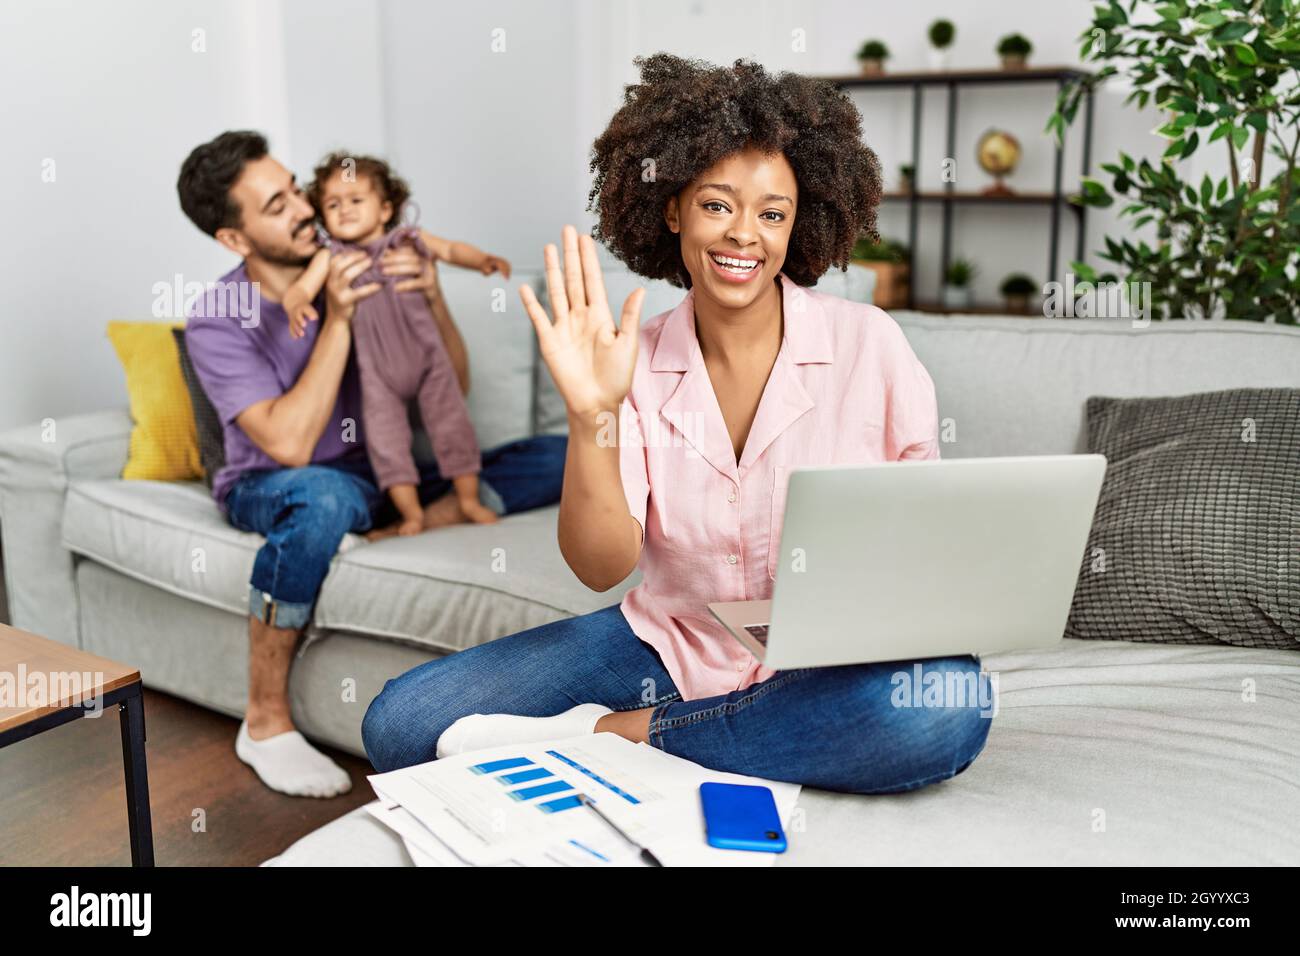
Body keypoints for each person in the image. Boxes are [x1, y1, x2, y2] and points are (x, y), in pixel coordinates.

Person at [361, 56, 992, 795]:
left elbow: (928, 541)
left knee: (948, 707)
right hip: (672, 640)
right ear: (672, 210)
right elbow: (602, 564)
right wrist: (593, 411)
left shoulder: (869, 344)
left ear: (801, 224)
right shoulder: (636, 360)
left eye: (772, 213)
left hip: (834, 658)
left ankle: (607, 738)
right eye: (717, 205)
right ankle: (739, 734)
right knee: (402, 724)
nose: (744, 236)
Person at [176, 131, 566, 797]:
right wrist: (337, 322)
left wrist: (432, 296)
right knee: (323, 497)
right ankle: (265, 722)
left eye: (296, 188)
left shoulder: (357, 256)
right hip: (275, 482)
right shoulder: (219, 316)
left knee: (562, 456)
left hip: (383, 474)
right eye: (277, 205)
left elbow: (452, 387)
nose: (304, 208)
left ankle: (412, 516)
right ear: (235, 240)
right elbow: (289, 444)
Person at [284, 152, 507, 534]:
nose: (345, 210)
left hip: (429, 361)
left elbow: (451, 250)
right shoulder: (332, 257)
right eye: (333, 204)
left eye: (356, 200)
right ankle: (412, 513)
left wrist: (481, 260)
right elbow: (299, 289)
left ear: (386, 208)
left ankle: (467, 500)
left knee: (452, 426)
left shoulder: (409, 240)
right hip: (378, 373)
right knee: (386, 442)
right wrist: (298, 304)